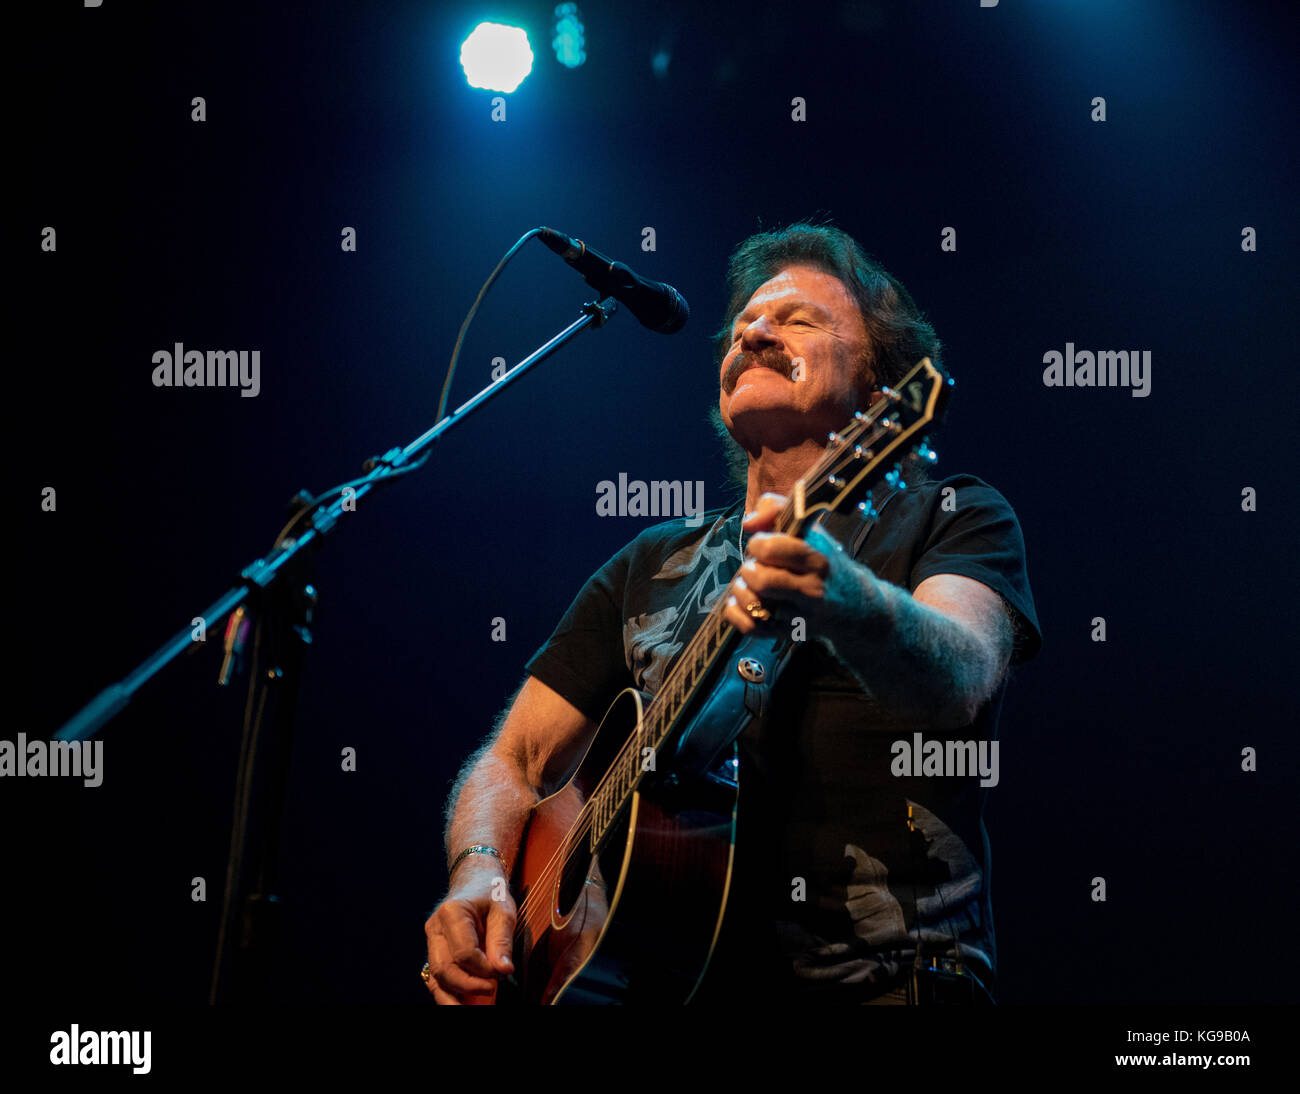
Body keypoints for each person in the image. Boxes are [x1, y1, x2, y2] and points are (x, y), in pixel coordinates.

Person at [423, 221, 1041, 1005]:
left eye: (799, 320)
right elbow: (514, 761)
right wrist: (479, 864)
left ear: (883, 398)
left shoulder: (954, 515)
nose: (755, 328)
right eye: (747, 321)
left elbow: (961, 682)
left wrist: (841, 596)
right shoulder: (651, 561)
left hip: (885, 986)